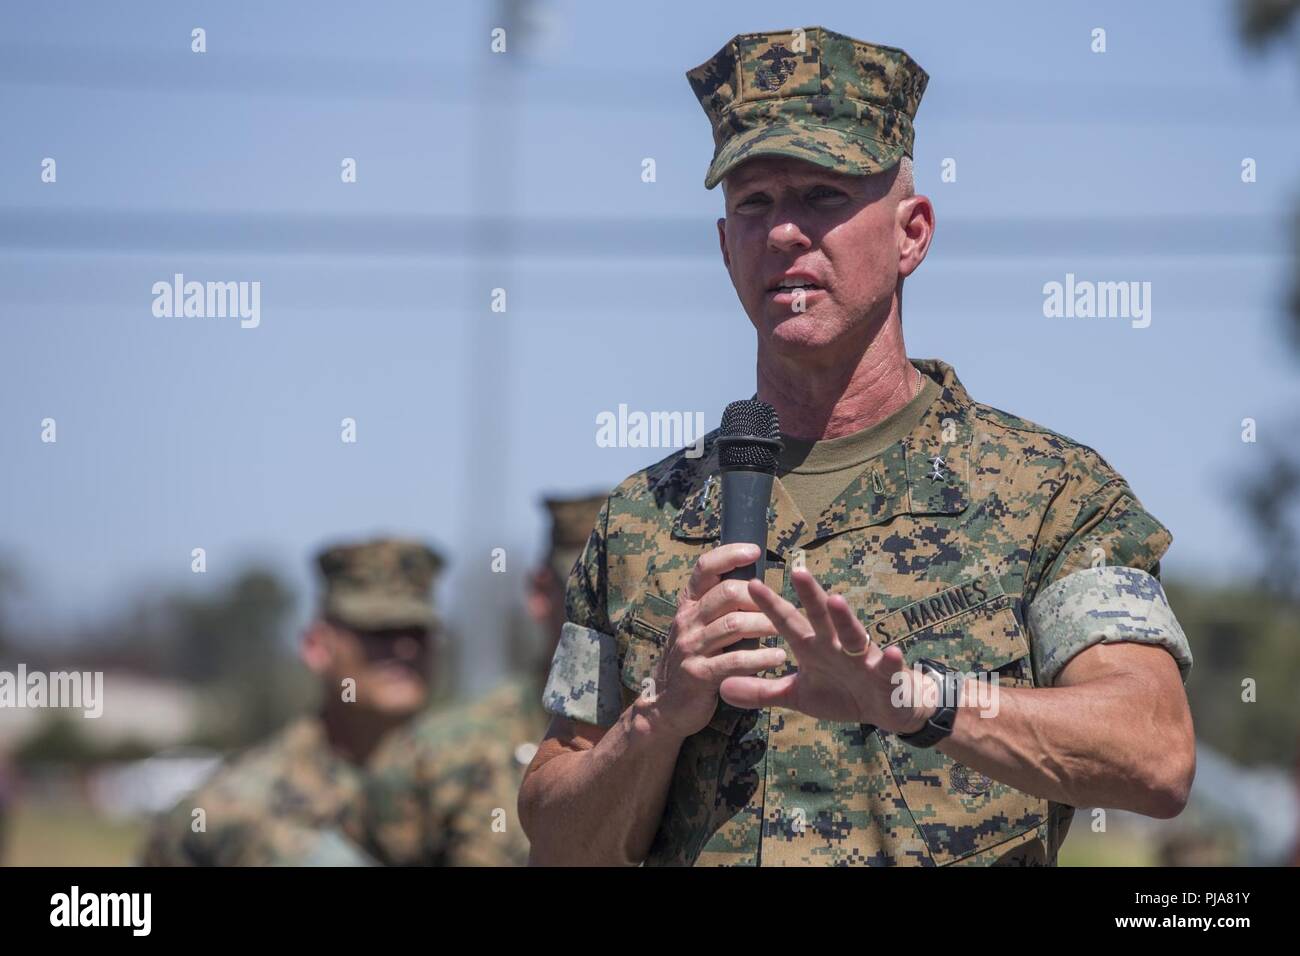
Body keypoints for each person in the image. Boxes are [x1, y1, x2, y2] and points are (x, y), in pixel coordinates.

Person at [518, 26, 1196, 867]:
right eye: (754, 205)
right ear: (724, 246)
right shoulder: (638, 524)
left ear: (912, 232)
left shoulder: (1049, 496)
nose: (784, 234)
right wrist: (658, 713)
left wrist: (917, 700)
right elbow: (555, 836)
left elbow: (1155, 751)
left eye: (824, 196)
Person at [140, 538, 443, 866]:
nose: (405, 649)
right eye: (380, 631)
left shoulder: (469, 782)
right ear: (317, 647)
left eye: (418, 632)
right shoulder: (234, 806)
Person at [365, 493, 606, 866]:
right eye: (593, 590)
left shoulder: (694, 743)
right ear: (542, 592)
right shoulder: (439, 755)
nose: (615, 612)